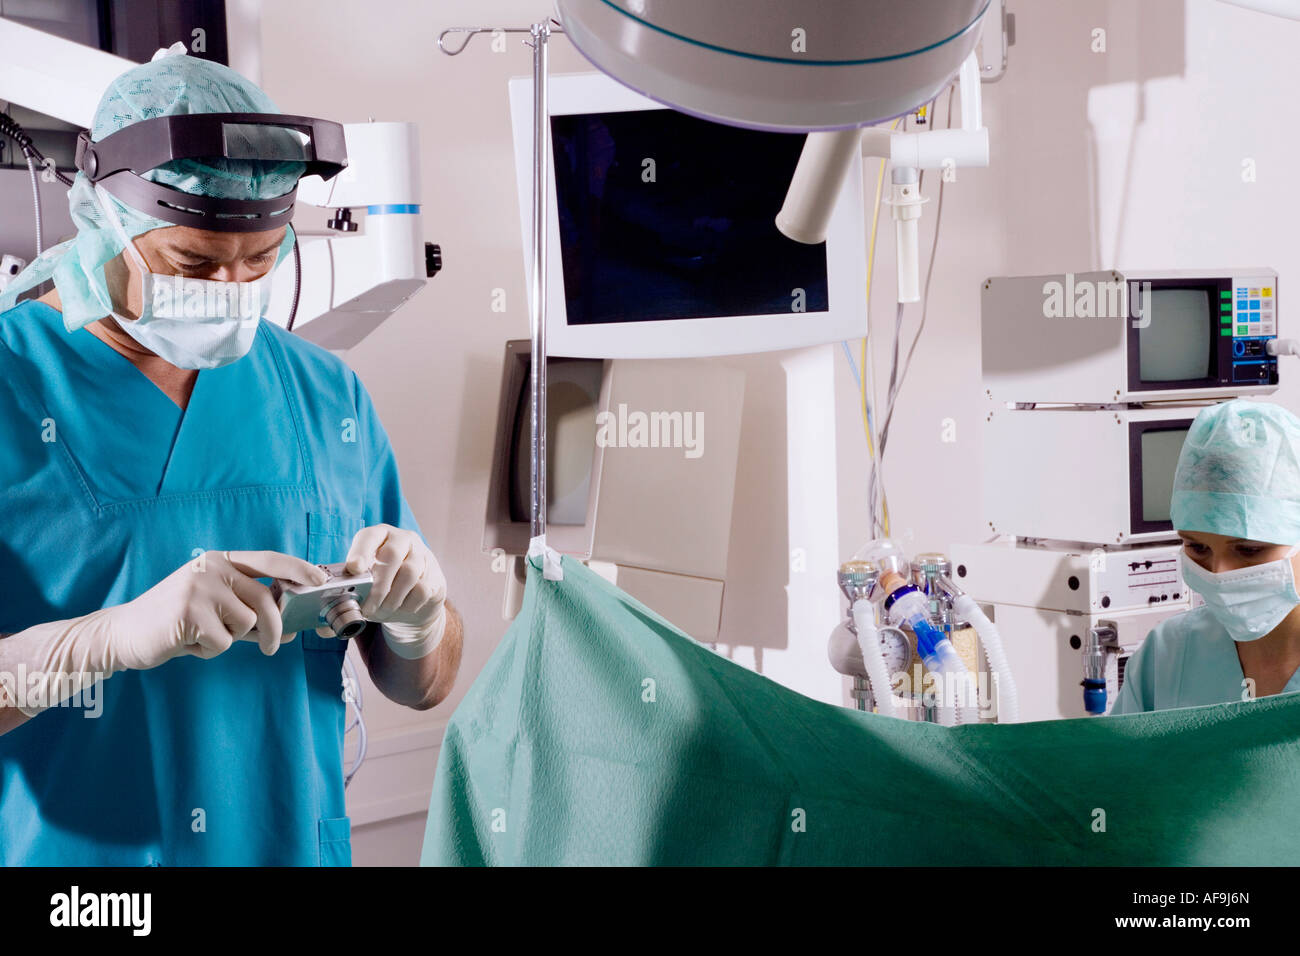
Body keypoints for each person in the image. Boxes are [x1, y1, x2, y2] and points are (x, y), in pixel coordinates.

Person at [0, 47, 462, 865]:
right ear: (105, 218)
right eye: (194, 265)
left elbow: (421, 685)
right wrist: (103, 642)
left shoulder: (324, 395)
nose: (229, 289)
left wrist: (422, 619)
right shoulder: (13, 384)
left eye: (258, 261)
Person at [1111, 399, 1300, 714]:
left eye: (1249, 550)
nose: (1219, 572)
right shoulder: (1169, 654)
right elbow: (1119, 763)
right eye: (1198, 547)